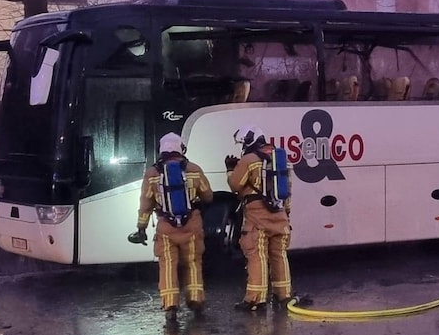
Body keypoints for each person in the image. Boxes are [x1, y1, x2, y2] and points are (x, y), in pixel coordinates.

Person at [128, 132, 214, 324]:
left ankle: (170, 306)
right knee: (193, 262)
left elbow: (145, 204)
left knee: (167, 265)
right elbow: (208, 196)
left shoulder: (152, 173)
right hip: (191, 225)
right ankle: (196, 299)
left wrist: (141, 227)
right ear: (180, 148)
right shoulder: (193, 169)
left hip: (166, 227)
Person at [226, 125, 309, 312]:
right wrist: (286, 215)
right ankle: (284, 295)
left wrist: (230, 170)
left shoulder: (249, 159)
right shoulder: (280, 158)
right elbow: (286, 191)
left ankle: (256, 299)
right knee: (279, 255)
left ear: (249, 142)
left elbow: (235, 186)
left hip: (257, 216)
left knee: (257, 256)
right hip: (280, 216)